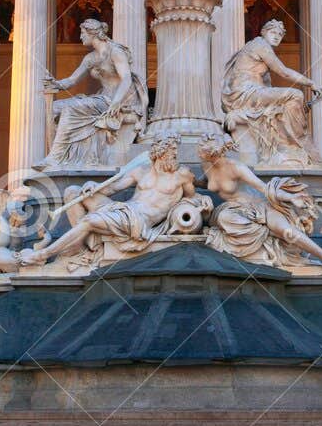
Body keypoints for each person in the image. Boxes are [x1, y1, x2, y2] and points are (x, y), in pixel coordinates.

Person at [19, 138, 195, 268]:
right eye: (171, 154)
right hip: (122, 209)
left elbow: (191, 198)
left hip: (137, 222)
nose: (174, 158)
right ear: (159, 155)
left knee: (89, 221)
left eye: (174, 155)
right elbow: (112, 189)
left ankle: (43, 254)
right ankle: (78, 247)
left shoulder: (181, 175)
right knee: (72, 191)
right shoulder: (140, 171)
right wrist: (93, 186)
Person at [199, 136, 322, 273]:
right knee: (223, 217)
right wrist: (189, 183)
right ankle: (260, 248)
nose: (200, 155)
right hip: (232, 208)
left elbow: (263, 188)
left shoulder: (236, 168)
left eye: (202, 152)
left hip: (258, 206)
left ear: (214, 154)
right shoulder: (207, 166)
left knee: (287, 231)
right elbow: (209, 185)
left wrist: (290, 198)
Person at [38, 19, 147, 168]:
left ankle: (55, 156)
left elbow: (127, 78)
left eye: (83, 33)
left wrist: (116, 102)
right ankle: (68, 157)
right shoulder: (90, 58)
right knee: (54, 108)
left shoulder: (115, 51)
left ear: (93, 33)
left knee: (71, 109)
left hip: (118, 101)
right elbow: (71, 80)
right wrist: (55, 83)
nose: (81, 37)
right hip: (101, 99)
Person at [220, 19, 322, 167]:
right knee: (296, 95)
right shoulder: (260, 45)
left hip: (253, 92)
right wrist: (311, 83)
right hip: (246, 94)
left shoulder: (258, 47)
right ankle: (297, 142)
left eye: (280, 34)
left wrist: (294, 109)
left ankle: (291, 144)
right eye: (273, 32)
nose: (276, 36)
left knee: (289, 102)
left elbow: (269, 89)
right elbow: (284, 72)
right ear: (263, 32)